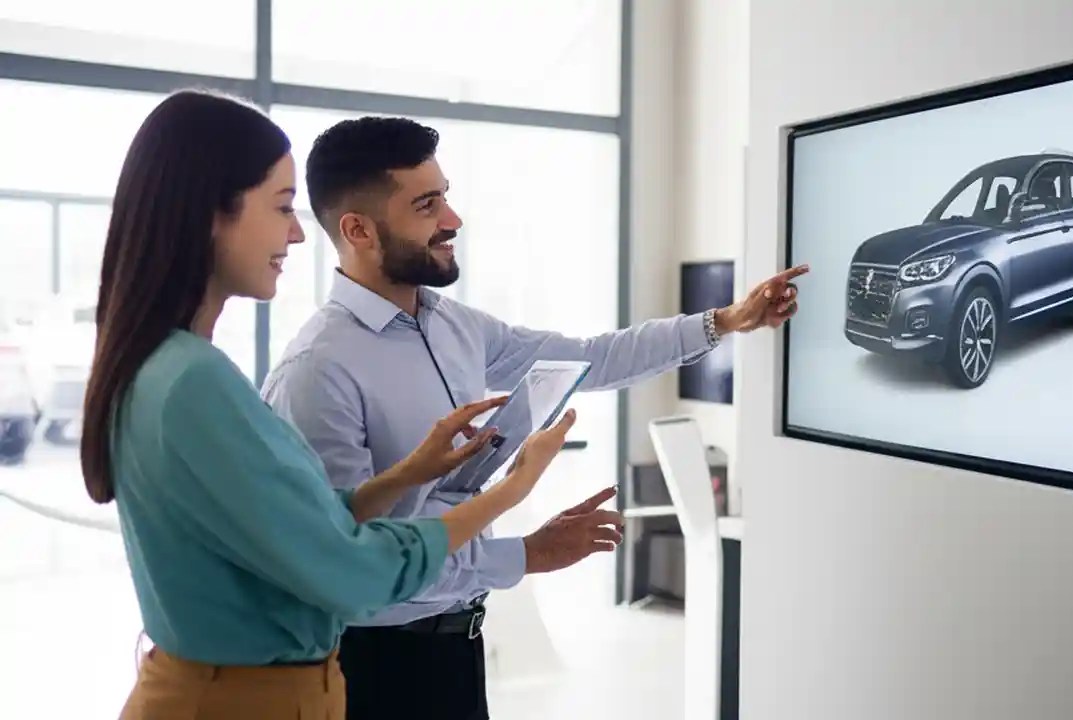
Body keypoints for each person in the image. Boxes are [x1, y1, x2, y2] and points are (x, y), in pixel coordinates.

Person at [262, 115, 806, 719]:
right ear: (358, 229)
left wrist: (725, 322)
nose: (453, 220)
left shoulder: (457, 327)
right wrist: (528, 553)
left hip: (457, 651)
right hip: (369, 670)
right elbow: (349, 569)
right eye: (427, 204)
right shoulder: (316, 372)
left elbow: (594, 358)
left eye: (447, 196)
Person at [81, 90, 574, 720]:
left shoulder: (170, 368)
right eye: (283, 208)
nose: (294, 233)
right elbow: (349, 570)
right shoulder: (197, 383)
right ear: (211, 213)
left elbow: (302, 528)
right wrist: (510, 492)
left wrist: (408, 474)